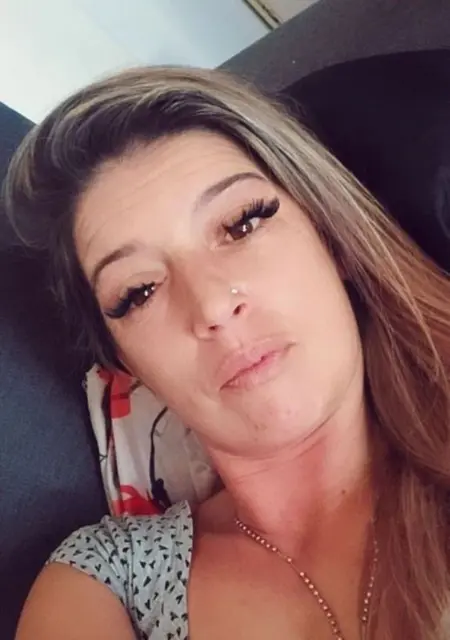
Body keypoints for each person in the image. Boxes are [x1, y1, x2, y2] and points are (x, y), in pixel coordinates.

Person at [4, 66, 450, 640]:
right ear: (128, 365)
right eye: (139, 291)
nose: (212, 304)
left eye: (242, 224)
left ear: (332, 235)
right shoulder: (107, 582)